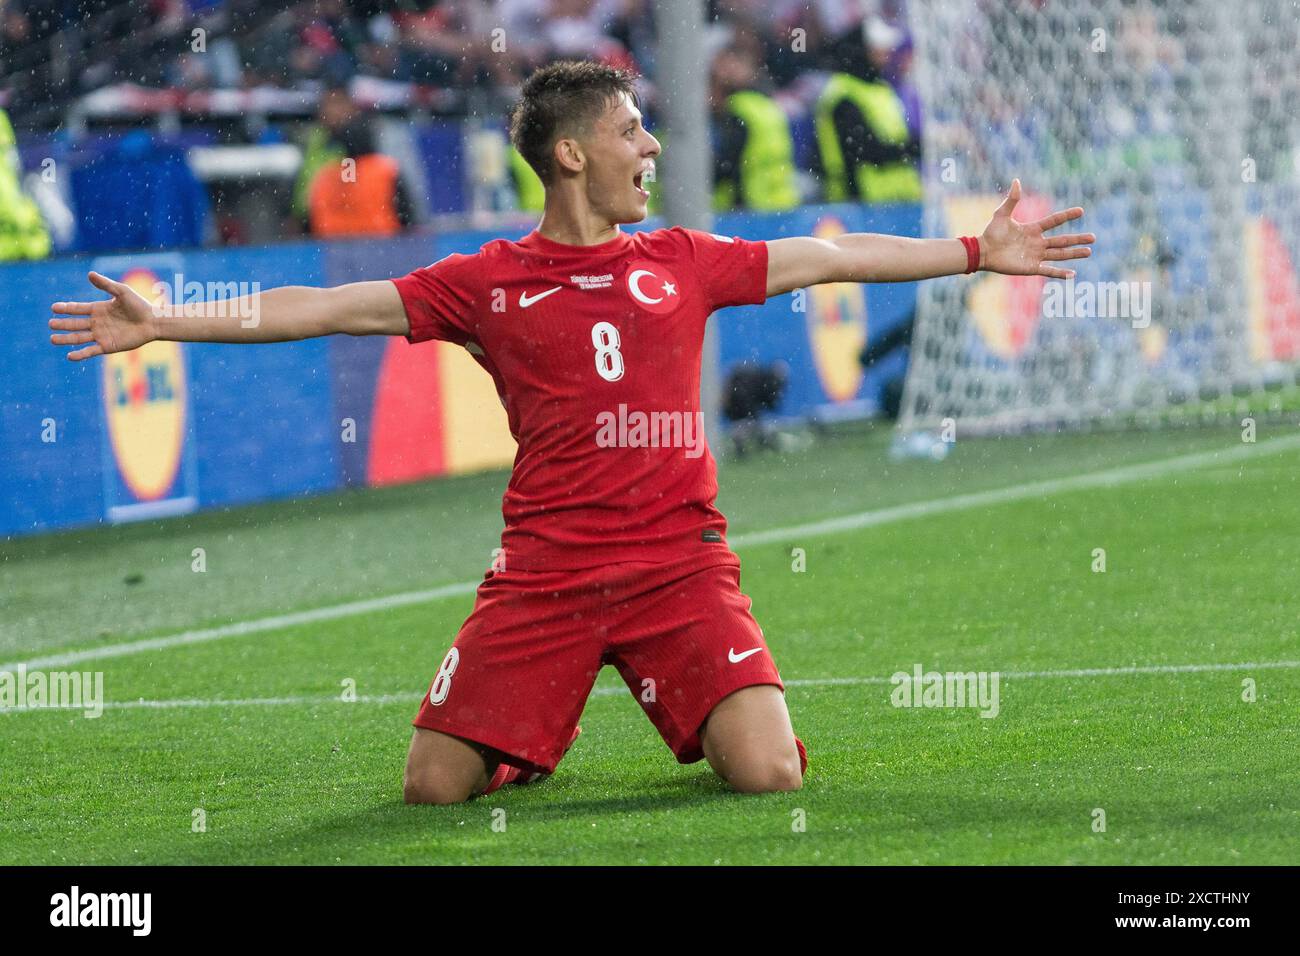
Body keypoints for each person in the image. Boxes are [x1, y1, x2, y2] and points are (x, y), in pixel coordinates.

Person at [49, 60, 1093, 803]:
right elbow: (319, 308)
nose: (650, 146)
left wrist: (970, 249)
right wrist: (168, 317)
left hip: (678, 565)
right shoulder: (483, 282)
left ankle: (575, 713)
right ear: (569, 152)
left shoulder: (682, 256)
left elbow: (830, 257)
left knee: (768, 772)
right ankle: (520, 740)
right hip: (542, 572)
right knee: (433, 788)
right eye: (631, 130)